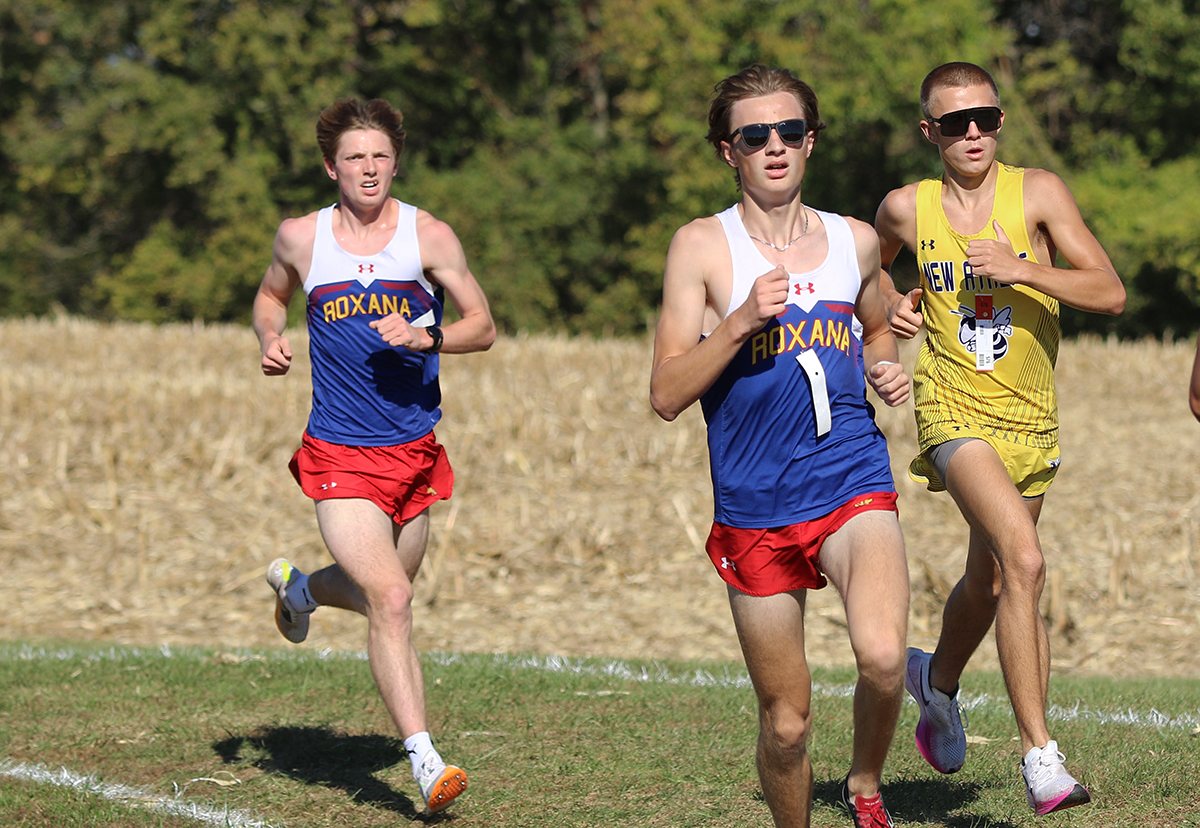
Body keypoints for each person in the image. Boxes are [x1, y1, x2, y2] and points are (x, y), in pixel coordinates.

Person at [650, 64, 912, 828]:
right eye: (754, 135)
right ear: (726, 151)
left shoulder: (854, 242)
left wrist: (886, 365)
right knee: (788, 722)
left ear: (811, 141)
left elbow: (875, 326)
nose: (775, 146)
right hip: (755, 504)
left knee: (885, 658)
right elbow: (666, 394)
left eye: (790, 131)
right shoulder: (701, 247)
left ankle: (864, 785)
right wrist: (735, 325)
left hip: (850, 475)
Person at [874, 62, 1125, 815]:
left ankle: (936, 684)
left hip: (1030, 418)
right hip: (952, 408)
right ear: (931, 133)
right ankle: (1041, 758)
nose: (972, 132)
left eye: (984, 117)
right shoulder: (903, 210)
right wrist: (891, 322)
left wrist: (1022, 270)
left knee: (992, 580)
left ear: (1000, 119)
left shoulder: (1038, 193)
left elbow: (1109, 292)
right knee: (1025, 561)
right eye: (955, 122)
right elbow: (868, 282)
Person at [252, 98, 495, 815]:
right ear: (333, 166)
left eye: (380, 156)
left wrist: (430, 338)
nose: (368, 168)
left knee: (377, 595)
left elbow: (482, 325)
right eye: (355, 157)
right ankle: (426, 763)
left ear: (395, 162)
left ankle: (299, 592)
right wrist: (269, 338)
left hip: (413, 452)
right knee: (391, 598)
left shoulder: (428, 235)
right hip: (339, 453)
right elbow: (270, 296)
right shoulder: (303, 238)